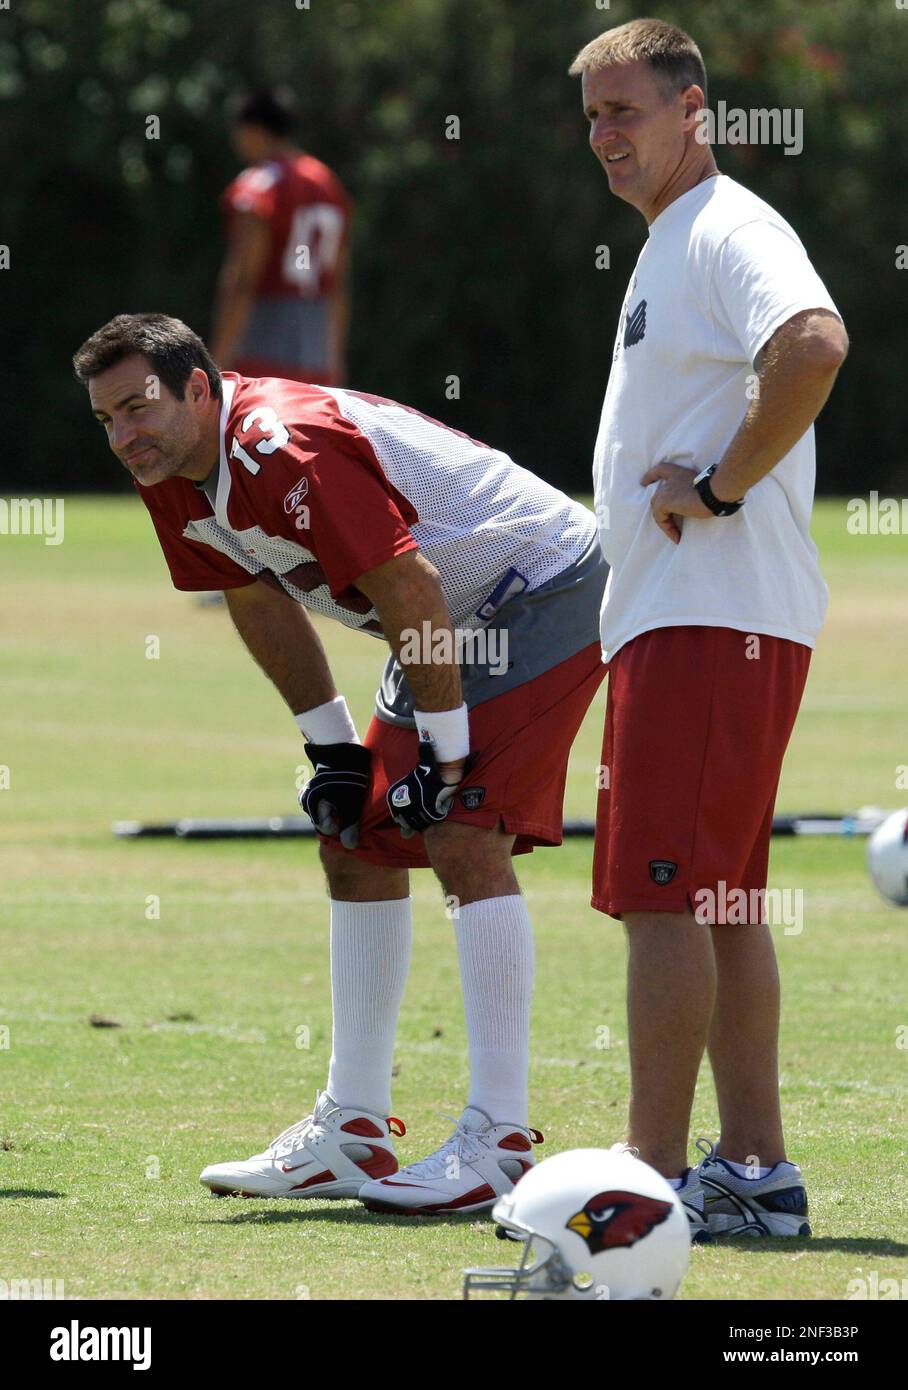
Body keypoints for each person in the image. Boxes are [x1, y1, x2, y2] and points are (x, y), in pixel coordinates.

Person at [73, 313, 607, 1215]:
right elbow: (252, 596)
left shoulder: (282, 445)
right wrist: (329, 748)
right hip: (448, 613)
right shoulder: (170, 467)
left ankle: (503, 1141)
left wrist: (444, 756)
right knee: (355, 837)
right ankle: (353, 1130)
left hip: (540, 583)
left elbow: (410, 587)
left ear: (198, 388)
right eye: (107, 419)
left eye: (139, 407)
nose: (125, 436)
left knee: (460, 826)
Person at [569, 18, 848, 1239]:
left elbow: (813, 341)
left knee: (662, 894)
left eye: (626, 109)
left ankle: (645, 1176)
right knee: (721, 899)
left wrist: (722, 486)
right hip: (697, 617)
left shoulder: (729, 224)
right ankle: (754, 1172)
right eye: (592, 116)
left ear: (696, 112)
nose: (605, 136)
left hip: (707, 614)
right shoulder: (670, 238)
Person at [211, 89, 352, 387]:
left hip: (262, 342)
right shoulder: (327, 182)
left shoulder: (258, 184)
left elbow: (243, 279)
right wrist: (334, 359)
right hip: (316, 346)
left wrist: (219, 360)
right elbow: (338, 282)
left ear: (255, 131)